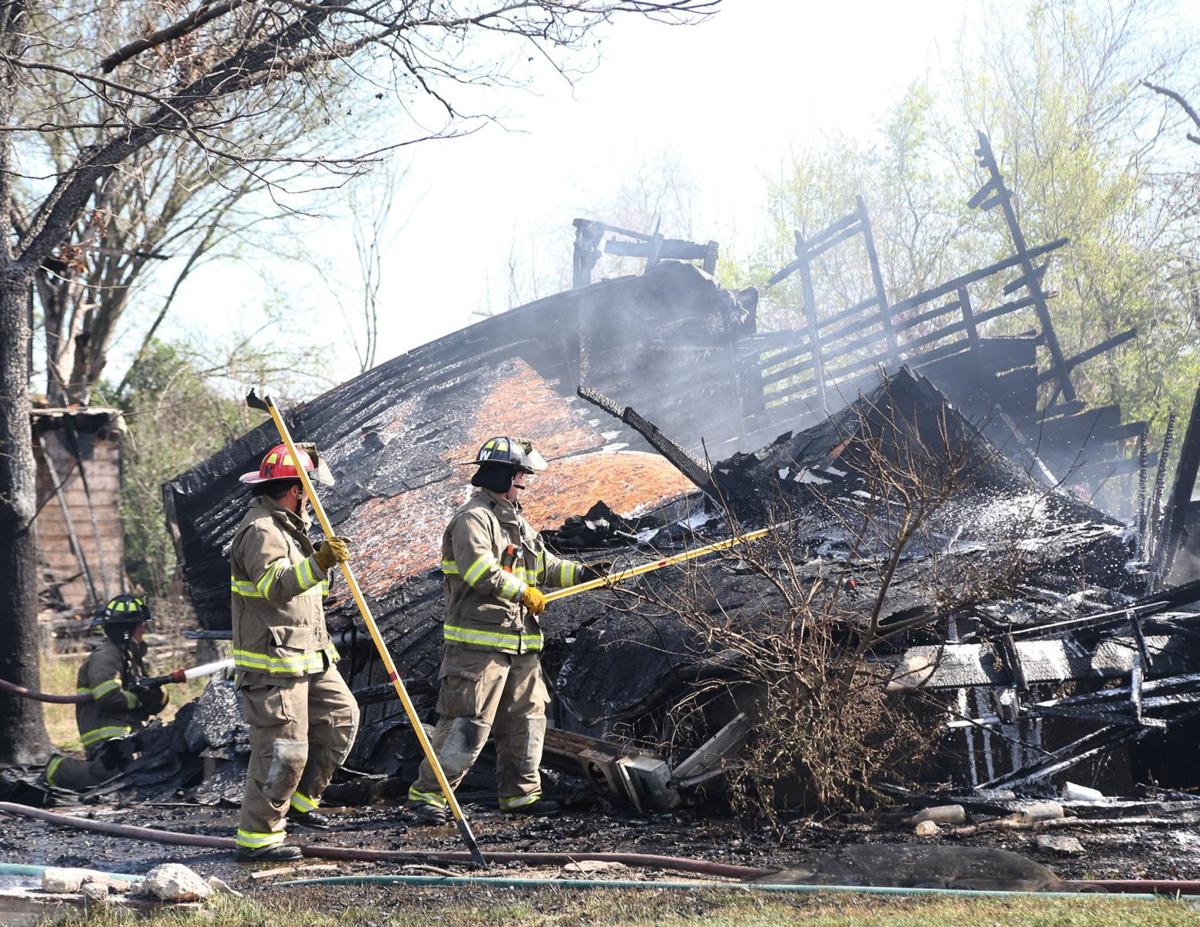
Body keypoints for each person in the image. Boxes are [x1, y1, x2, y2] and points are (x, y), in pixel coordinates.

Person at [407, 436, 609, 823]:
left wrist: (586, 573)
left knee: (527, 719)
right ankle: (429, 797)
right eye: (521, 474)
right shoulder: (473, 519)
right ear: (503, 475)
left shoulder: (516, 521)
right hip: (478, 647)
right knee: (466, 723)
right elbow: (480, 570)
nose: (526, 482)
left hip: (521, 643)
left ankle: (520, 796)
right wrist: (523, 591)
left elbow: (545, 567)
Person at [230, 443, 360, 862]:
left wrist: (323, 566)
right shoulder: (261, 530)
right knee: (284, 749)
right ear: (296, 491)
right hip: (275, 662)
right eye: (310, 490)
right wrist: (319, 562)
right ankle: (259, 837)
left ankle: (299, 805)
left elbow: (308, 594)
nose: (316, 499)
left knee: (342, 720)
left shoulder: (290, 527)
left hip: (310, 653)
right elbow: (274, 586)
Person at [44, 594, 169, 792]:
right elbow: (108, 695)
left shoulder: (130, 657)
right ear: (127, 630)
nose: (143, 629)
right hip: (106, 737)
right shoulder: (106, 656)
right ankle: (57, 770)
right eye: (140, 625)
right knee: (114, 779)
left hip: (129, 734)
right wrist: (139, 700)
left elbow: (149, 699)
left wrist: (158, 694)